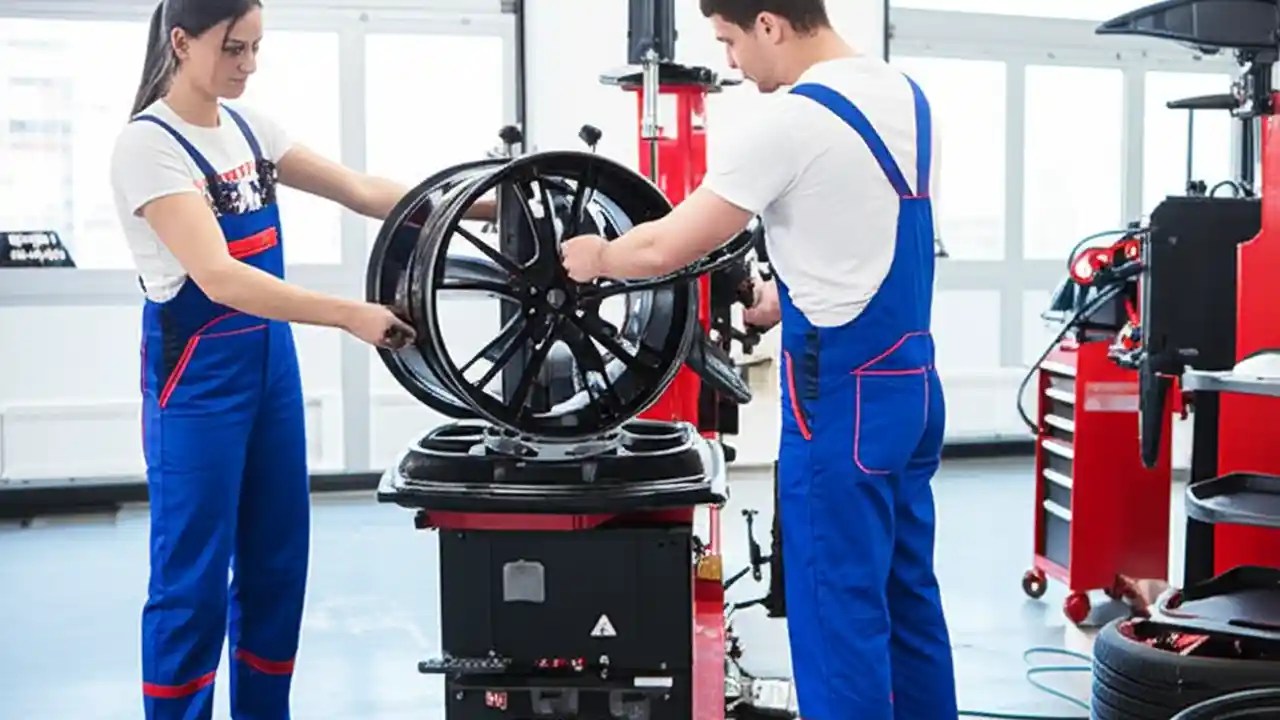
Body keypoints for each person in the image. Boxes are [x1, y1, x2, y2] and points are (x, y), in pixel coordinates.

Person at [560, 1, 955, 718]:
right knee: (906, 597)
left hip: (840, 408)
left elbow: (661, 248)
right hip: (909, 386)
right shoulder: (903, 93)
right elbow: (862, 218)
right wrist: (792, 291)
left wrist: (596, 258)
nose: (733, 65)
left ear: (770, 23)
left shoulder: (790, 122)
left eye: (731, 41)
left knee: (837, 615)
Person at [108, 1, 486, 718]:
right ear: (181, 43)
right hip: (196, 379)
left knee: (277, 563)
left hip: (267, 367)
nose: (247, 65)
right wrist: (351, 315)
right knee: (190, 580)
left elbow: (362, 189)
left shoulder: (252, 128)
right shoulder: (147, 146)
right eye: (233, 50)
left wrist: (479, 203)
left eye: (256, 49)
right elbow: (220, 278)